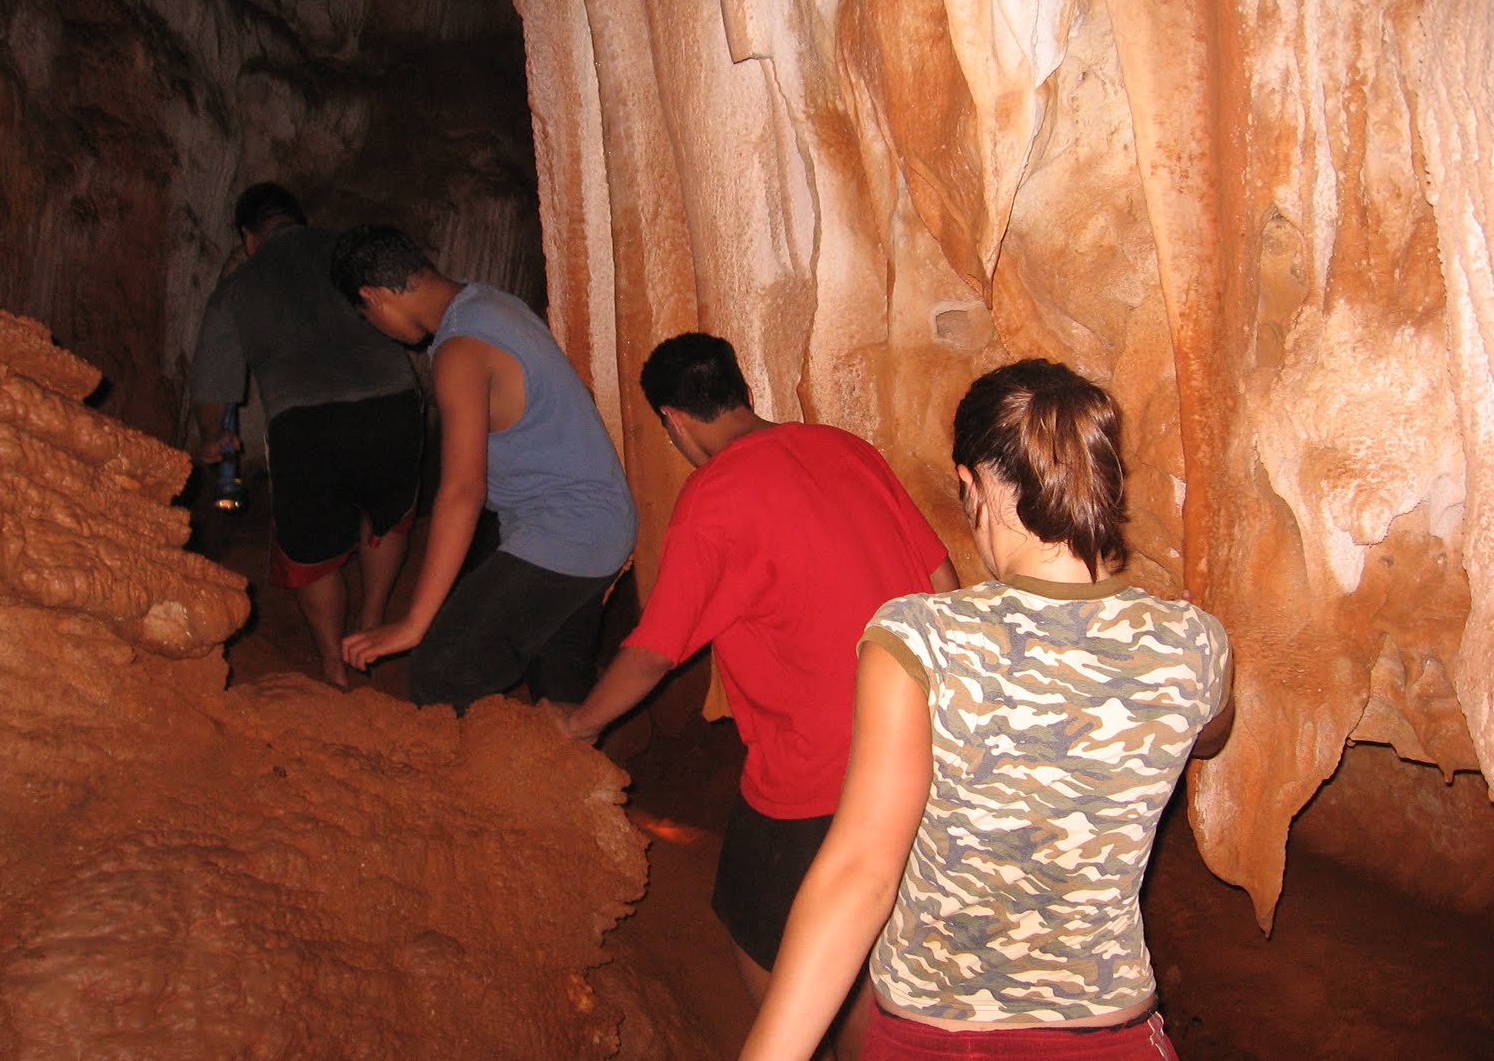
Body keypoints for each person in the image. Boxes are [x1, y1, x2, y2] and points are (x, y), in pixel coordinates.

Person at [740, 359, 1236, 1061]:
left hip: (936, 1036)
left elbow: (862, 872)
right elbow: (1211, 733)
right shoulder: (1195, 643)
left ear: (971, 486)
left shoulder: (922, 638)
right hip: (1109, 1033)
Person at [546, 332, 957, 1061]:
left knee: (762, 928)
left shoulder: (715, 499)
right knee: (868, 949)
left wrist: (577, 726)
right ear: (739, 388)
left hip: (815, 778)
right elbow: (940, 576)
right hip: (920, 749)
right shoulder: (845, 449)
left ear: (674, 420)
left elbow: (651, 655)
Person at [329, 224, 636, 709]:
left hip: (562, 531)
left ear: (374, 296)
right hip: (599, 525)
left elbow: (462, 491)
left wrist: (414, 624)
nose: (379, 330)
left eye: (368, 317)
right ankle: (568, 780)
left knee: (440, 674)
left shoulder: (459, 350)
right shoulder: (492, 306)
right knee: (558, 696)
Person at [190, 182, 424, 689]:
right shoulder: (351, 250)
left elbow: (213, 384)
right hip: (393, 404)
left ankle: (333, 666)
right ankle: (371, 621)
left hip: (305, 424)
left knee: (310, 556)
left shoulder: (239, 285)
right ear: (301, 220)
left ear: (249, 238)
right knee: (384, 519)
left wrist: (212, 437)